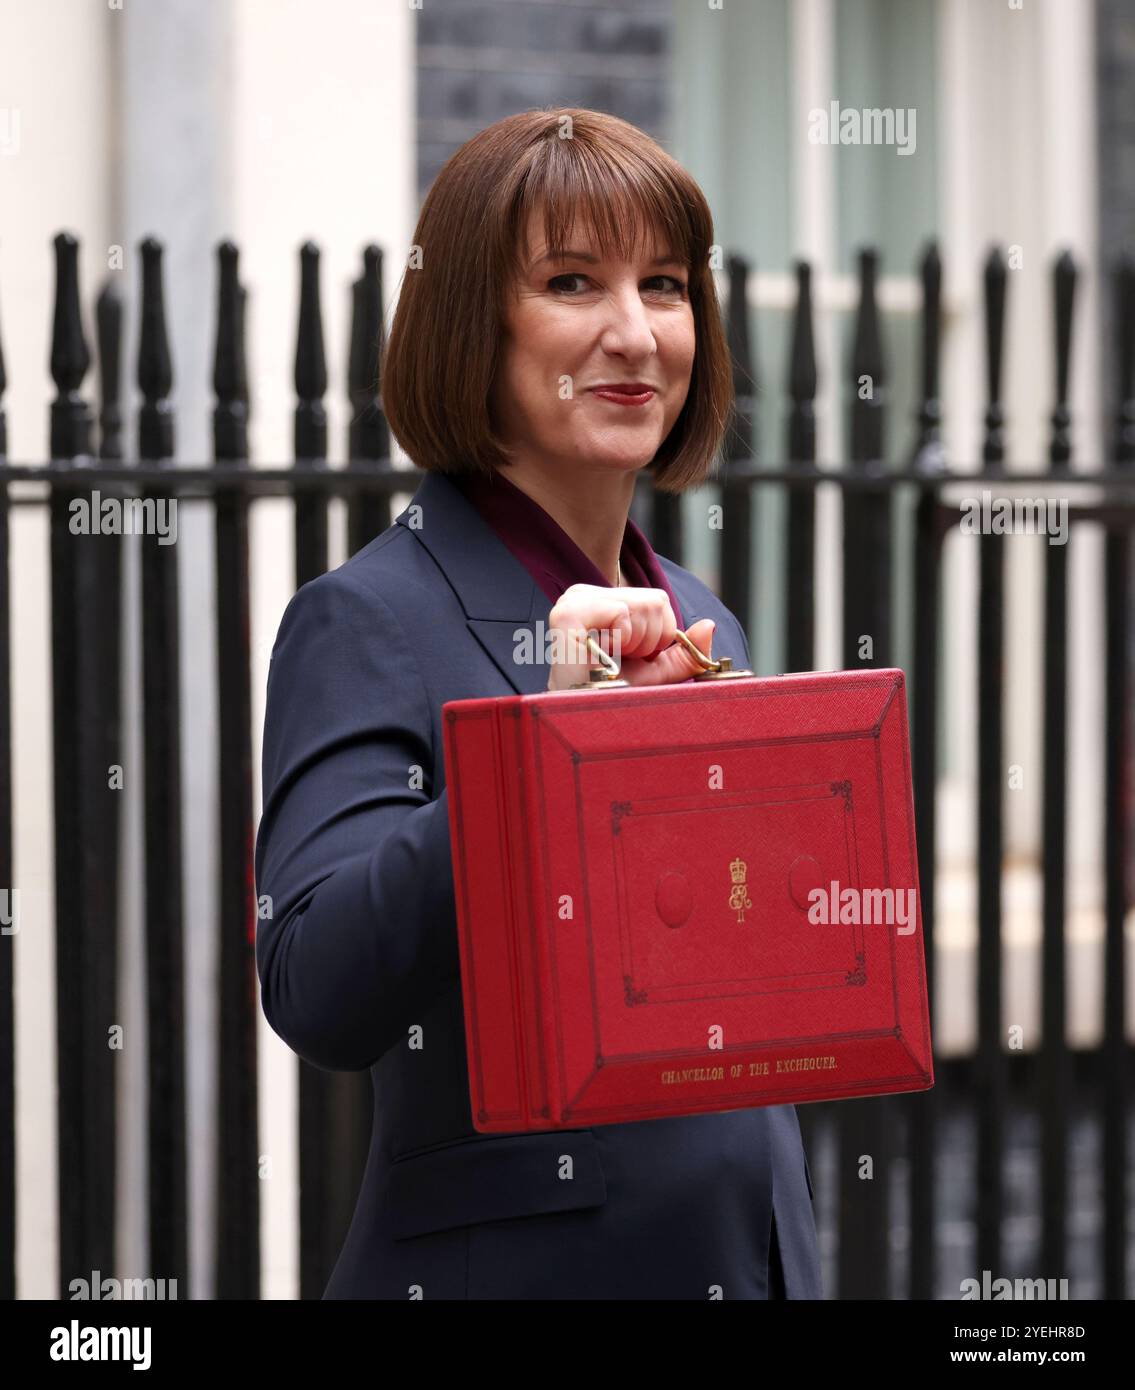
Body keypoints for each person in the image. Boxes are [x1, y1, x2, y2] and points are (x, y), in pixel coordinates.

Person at [254, 106, 822, 1300]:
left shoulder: (707, 614)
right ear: (475, 326)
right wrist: (544, 751)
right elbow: (315, 987)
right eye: (572, 281)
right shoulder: (366, 617)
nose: (634, 332)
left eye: (663, 286)